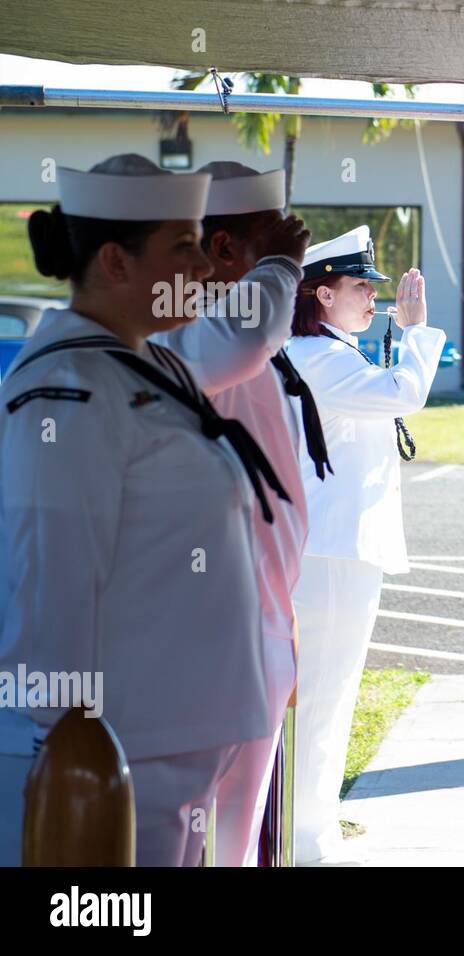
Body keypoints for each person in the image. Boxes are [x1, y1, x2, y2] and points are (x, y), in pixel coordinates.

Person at [0, 154, 289, 865]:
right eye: (181, 247)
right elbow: (53, 577)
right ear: (115, 263)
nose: (203, 266)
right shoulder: (69, 389)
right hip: (115, 753)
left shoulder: (148, 366)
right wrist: (66, 748)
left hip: (175, 739)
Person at [155, 161, 319, 866]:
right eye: (271, 244)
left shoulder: (232, 332)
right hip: (206, 633)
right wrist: (280, 266)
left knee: (236, 839)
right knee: (190, 843)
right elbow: (250, 332)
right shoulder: (193, 333)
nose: (292, 273)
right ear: (227, 254)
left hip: (258, 624)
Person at [284, 226, 446, 864]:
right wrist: (416, 332)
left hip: (332, 548)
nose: (373, 299)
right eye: (360, 287)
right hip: (331, 553)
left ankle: (305, 834)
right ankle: (305, 842)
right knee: (323, 701)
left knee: (326, 699)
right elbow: (405, 392)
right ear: (322, 294)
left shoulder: (327, 348)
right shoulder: (318, 354)